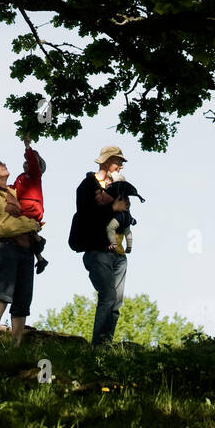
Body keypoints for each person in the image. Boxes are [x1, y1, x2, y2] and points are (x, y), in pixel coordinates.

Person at [0, 157, 44, 345]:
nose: (4, 164)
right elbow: (3, 226)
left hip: (25, 249)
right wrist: (31, 224)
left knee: (23, 302)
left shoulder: (14, 191)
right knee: (2, 296)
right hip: (3, 248)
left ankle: (15, 347)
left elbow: (37, 176)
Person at [68, 145, 131, 346]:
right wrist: (112, 206)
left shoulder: (119, 187)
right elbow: (87, 216)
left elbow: (124, 215)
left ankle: (106, 344)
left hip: (119, 253)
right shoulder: (87, 185)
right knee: (108, 296)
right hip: (97, 251)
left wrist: (115, 205)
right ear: (106, 161)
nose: (121, 166)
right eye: (118, 161)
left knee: (116, 303)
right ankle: (98, 347)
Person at [11, 138, 48, 273]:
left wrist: (28, 147)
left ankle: (39, 240)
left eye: (31, 161)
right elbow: (12, 189)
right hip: (24, 208)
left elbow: (32, 161)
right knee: (25, 232)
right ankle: (40, 258)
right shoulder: (21, 177)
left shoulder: (35, 175)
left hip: (31, 207)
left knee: (22, 226)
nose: (28, 162)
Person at [101, 176, 145, 255]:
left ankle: (114, 243)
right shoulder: (125, 196)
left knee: (110, 228)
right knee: (127, 232)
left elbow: (117, 208)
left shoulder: (117, 194)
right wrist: (131, 219)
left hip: (120, 216)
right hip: (127, 217)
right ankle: (129, 246)